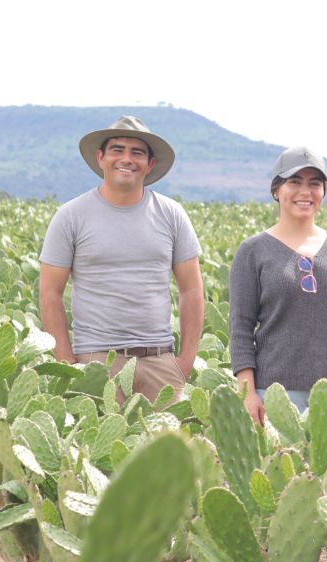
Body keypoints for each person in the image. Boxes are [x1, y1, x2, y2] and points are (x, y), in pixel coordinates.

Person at [39, 115, 203, 402]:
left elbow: (192, 290)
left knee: (167, 448)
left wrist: (184, 363)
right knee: (96, 447)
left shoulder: (172, 214)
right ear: (101, 157)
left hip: (160, 363)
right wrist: (69, 366)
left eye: (137, 152)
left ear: (150, 164)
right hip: (96, 363)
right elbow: (50, 292)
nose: (126, 159)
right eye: (117, 150)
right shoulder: (70, 216)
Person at [229, 146, 327, 424]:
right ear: (276, 190)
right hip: (275, 395)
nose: (305, 192)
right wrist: (247, 393)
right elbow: (241, 328)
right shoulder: (253, 251)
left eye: (314, 184)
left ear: (323, 192)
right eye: (294, 182)